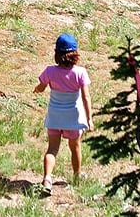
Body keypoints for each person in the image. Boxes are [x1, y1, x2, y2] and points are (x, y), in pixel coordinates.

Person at [33, 32, 93, 195]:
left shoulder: (50, 71)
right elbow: (86, 97)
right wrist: (89, 118)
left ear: (57, 54)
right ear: (75, 54)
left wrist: (37, 89)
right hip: (72, 118)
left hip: (54, 117)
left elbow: (42, 86)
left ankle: (46, 178)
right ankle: (77, 175)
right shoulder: (80, 72)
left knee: (52, 149)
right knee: (75, 147)